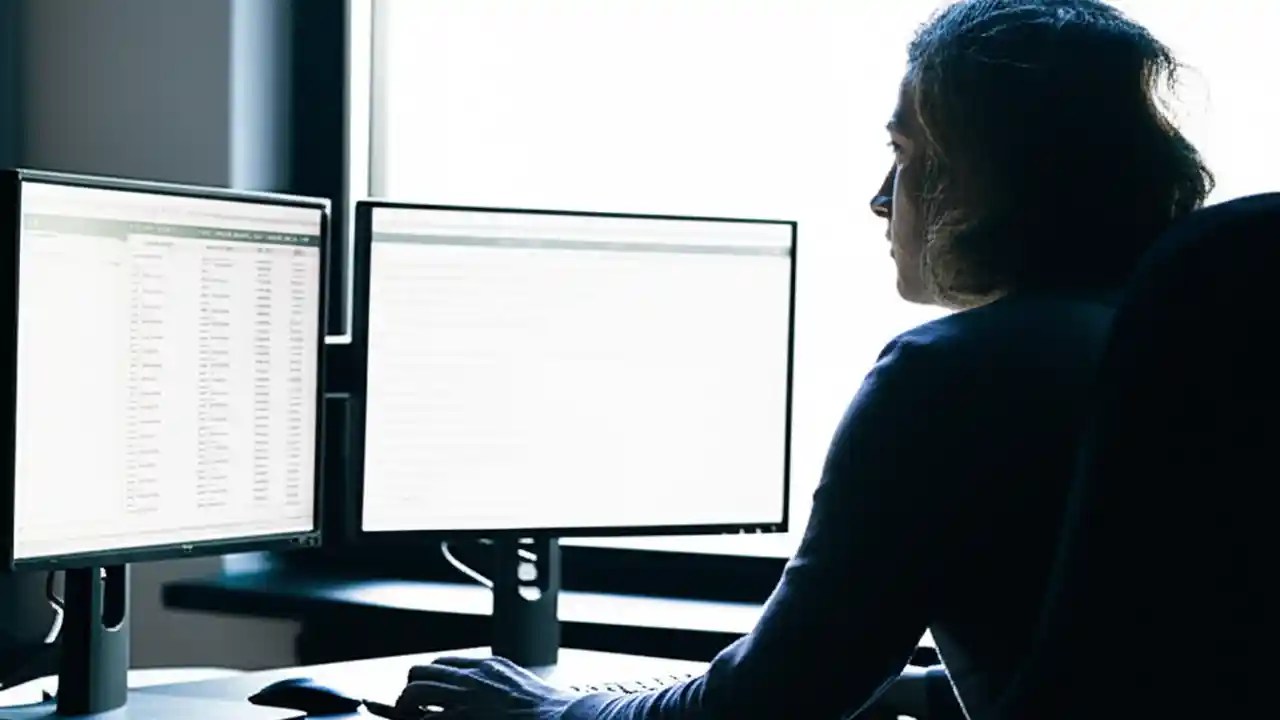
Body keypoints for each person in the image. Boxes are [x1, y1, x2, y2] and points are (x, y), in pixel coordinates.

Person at [390, 1, 1213, 717]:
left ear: (983, 173)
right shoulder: (1183, 343)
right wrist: (909, 686)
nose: (883, 196)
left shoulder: (956, 373)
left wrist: (547, 712)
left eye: (906, 151)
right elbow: (1133, 666)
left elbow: (763, 705)